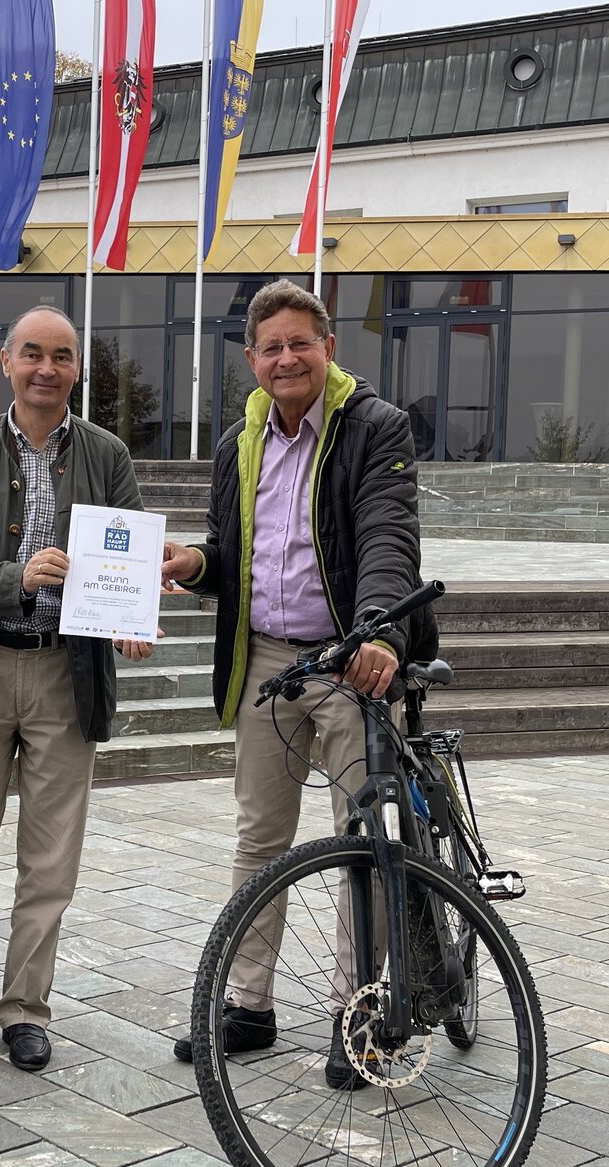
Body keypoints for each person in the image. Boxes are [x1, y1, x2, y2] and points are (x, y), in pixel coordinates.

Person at [161, 279, 435, 1090]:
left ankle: (362, 1015)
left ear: (329, 348)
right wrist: (195, 563)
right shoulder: (238, 441)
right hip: (268, 662)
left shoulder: (375, 427)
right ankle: (248, 1004)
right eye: (271, 347)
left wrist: (379, 631)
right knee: (259, 837)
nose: (286, 359)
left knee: (363, 842)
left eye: (299, 343)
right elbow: (231, 551)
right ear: (252, 360)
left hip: (350, 659)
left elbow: (387, 540)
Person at [0, 305, 150, 1073]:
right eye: (33, 353)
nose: (47, 368)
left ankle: (24, 1010)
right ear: (6, 362)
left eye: (63, 356)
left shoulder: (106, 454)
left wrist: (130, 615)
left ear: (79, 369)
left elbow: (129, 555)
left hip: (67, 676)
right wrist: (16, 577)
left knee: (50, 863)